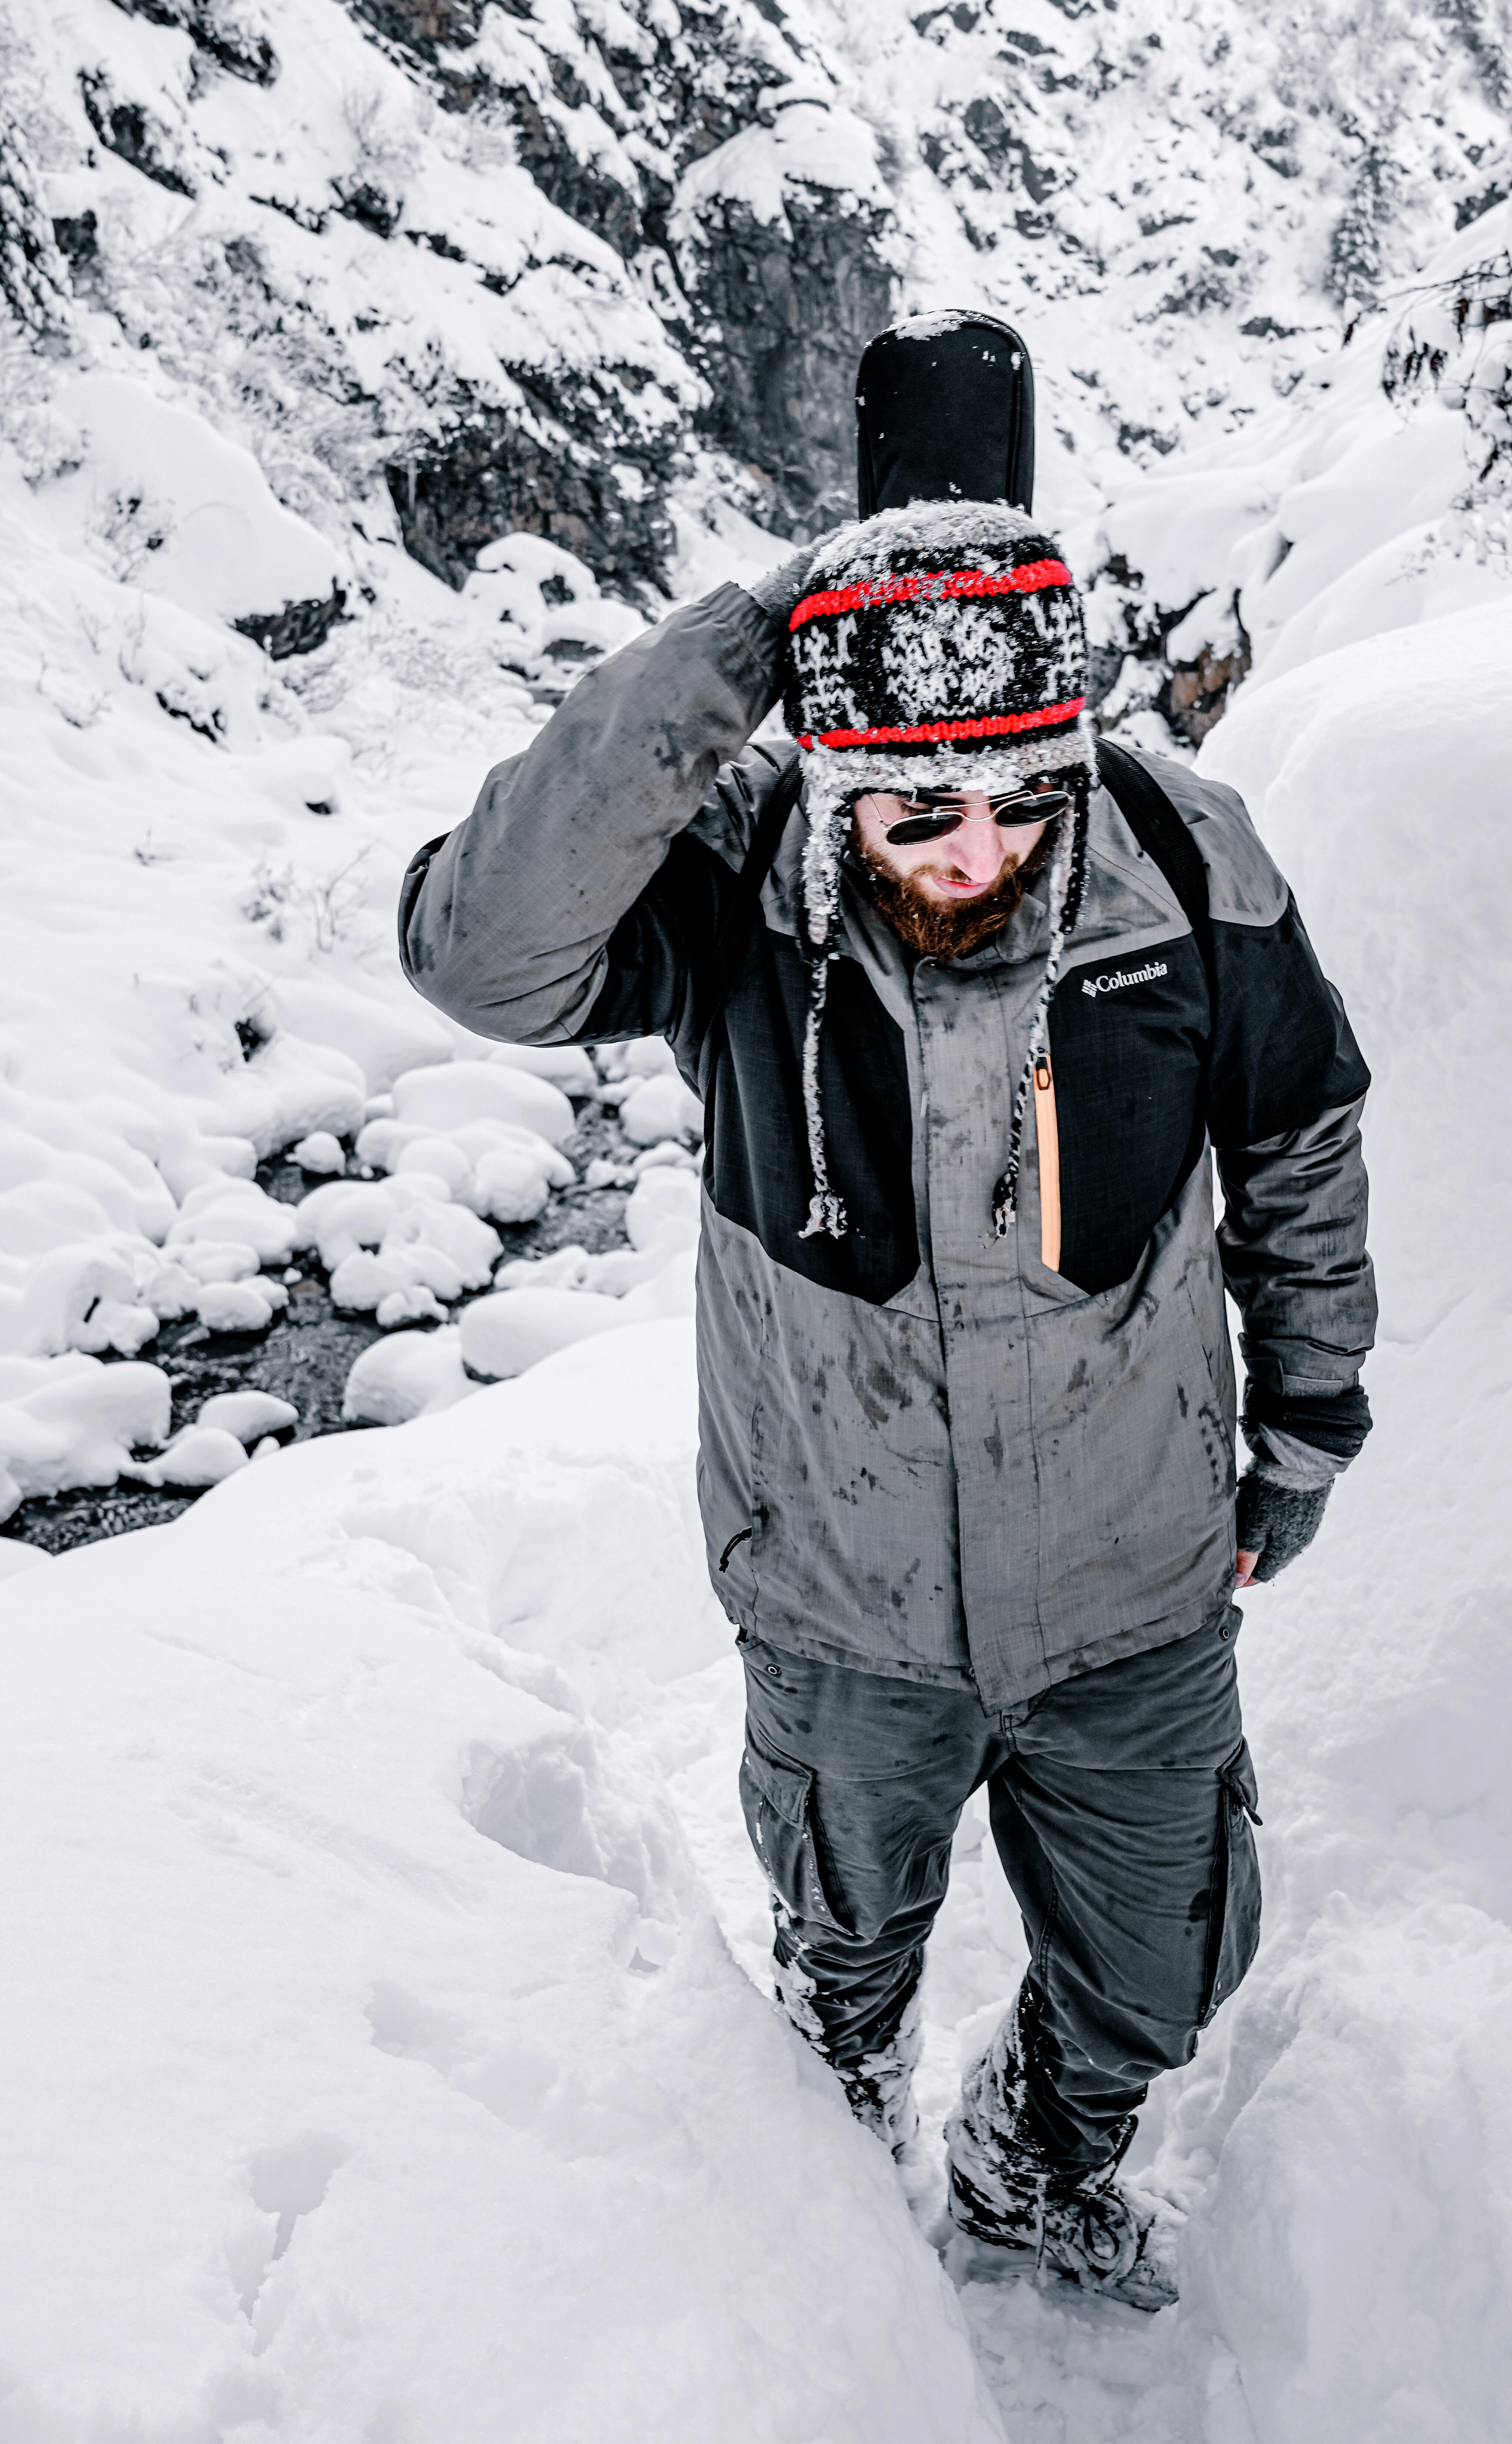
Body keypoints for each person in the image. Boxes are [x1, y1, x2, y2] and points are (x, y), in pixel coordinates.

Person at [398, 493, 1375, 2311]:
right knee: (844, 1935)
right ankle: (832, 2150)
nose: (974, 846)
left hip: (1130, 1586)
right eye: (918, 812)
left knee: (1160, 1966)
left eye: (1022, 795)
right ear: (841, 783)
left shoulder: (1182, 857)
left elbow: (1297, 1136)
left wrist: (1306, 1413)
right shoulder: (738, 886)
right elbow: (478, 957)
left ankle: (1026, 2165)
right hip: (842, 1601)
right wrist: (742, 647)